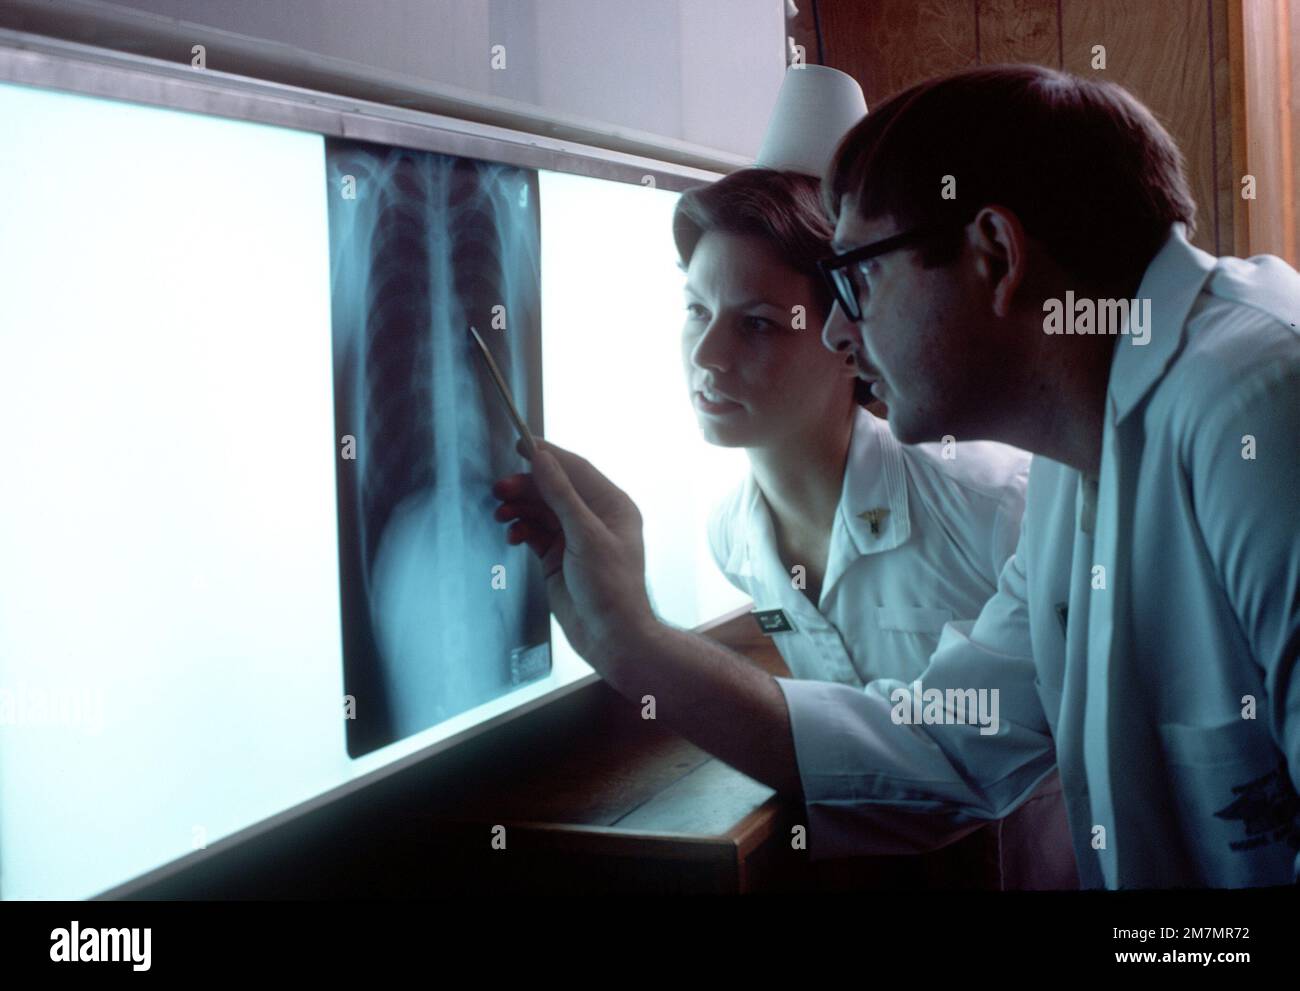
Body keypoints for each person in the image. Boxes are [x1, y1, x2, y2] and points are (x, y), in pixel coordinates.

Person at [491, 64, 1300, 888]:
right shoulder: (1078, 462)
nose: (840, 329)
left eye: (859, 275)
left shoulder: (1260, 405)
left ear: (994, 253)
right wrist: (628, 635)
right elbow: (940, 749)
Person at [675, 163, 1074, 887]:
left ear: (846, 337)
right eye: (696, 311)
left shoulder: (996, 501)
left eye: (756, 323)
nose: (707, 357)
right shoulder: (732, 536)